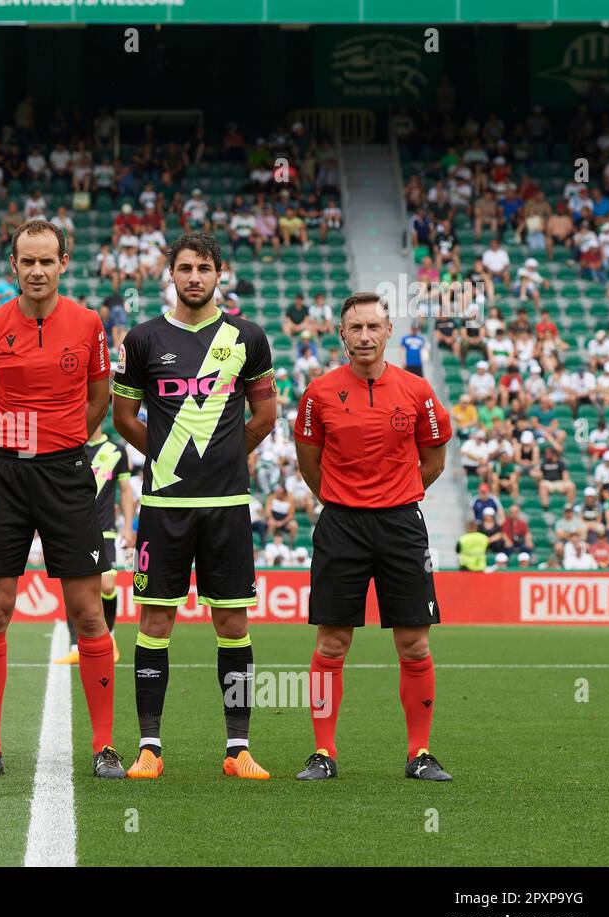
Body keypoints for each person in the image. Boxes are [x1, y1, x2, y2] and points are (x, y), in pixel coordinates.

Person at [0, 219, 125, 779]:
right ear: (13, 265)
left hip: (67, 476)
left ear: (62, 264)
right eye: (26, 261)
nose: (36, 270)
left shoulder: (88, 324)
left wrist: (59, 443)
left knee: (85, 611)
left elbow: (99, 399)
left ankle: (104, 746)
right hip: (5, 478)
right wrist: (13, 446)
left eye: (46, 261)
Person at [112, 233, 277, 781]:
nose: (194, 277)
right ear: (171, 273)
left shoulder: (246, 337)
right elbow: (124, 419)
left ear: (218, 273)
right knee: (155, 619)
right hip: (164, 503)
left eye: (203, 268)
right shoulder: (142, 338)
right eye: (184, 268)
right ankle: (150, 748)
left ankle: (237, 750)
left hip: (227, 503)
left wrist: (226, 455)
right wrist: (166, 459)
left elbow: (265, 416)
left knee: (231, 621)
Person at [294, 291, 453, 782]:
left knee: (414, 645)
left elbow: (434, 459)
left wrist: (397, 494)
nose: (364, 335)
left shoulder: (418, 391)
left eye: (373, 327)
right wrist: (346, 500)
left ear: (388, 333)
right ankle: (323, 753)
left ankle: (419, 752)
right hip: (341, 525)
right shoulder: (318, 393)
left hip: (402, 524)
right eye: (354, 328)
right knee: (333, 642)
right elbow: (309, 463)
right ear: (341, 335)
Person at [52, 423, 135, 665]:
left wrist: (128, 526)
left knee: (108, 585)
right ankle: (76, 646)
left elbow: (126, 490)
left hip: (104, 528)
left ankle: (109, 639)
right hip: (72, 528)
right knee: (74, 587)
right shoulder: (70, 448)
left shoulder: (116, 450)